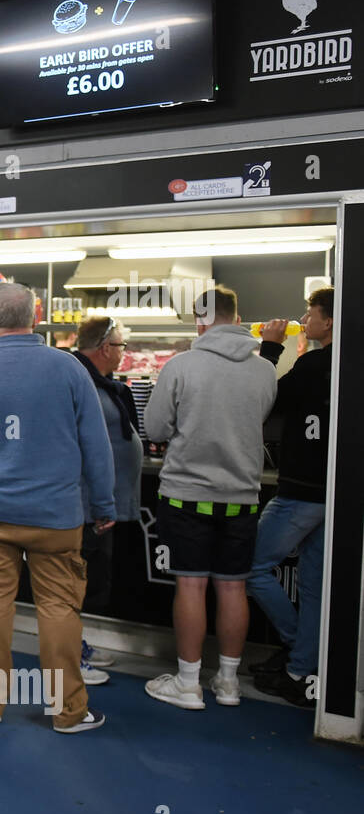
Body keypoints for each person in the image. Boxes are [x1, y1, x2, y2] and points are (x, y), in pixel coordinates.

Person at [0, 283, 115, 733]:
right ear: (36, 316)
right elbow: (97, 444)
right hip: (56, 515)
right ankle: (69, 711)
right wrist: (103, 503)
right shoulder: (69, 368)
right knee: (58, 608)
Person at [143, 285, 277, 711]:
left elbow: (157, 429)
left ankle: (187, 684)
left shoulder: (181, 365)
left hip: (187, 496)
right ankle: (229, 682)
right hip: (242, 497)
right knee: (234, 588)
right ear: (236, 317)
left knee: (191, 583)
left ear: (201, 319)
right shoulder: (264, 371)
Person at [247, 288, 333, 708]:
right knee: (316, 586)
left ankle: (300, 648)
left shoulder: (313, 364)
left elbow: (265, 398)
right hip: (335, 494)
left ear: (329, 321)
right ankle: (303, 670)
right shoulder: (339, 363)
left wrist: (271, 348)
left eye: (311, 312)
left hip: (300, 491)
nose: (304, 316)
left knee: (251, 566)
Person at [72, 315, 143, 681]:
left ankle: (77, 647)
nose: (122, 353)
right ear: (104, 348)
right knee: (77, 583)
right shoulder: (81, 385)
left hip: (102, 504)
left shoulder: (105, 385)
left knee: (94, 581)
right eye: (120, 346)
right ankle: (71, 661)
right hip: (85, 507)